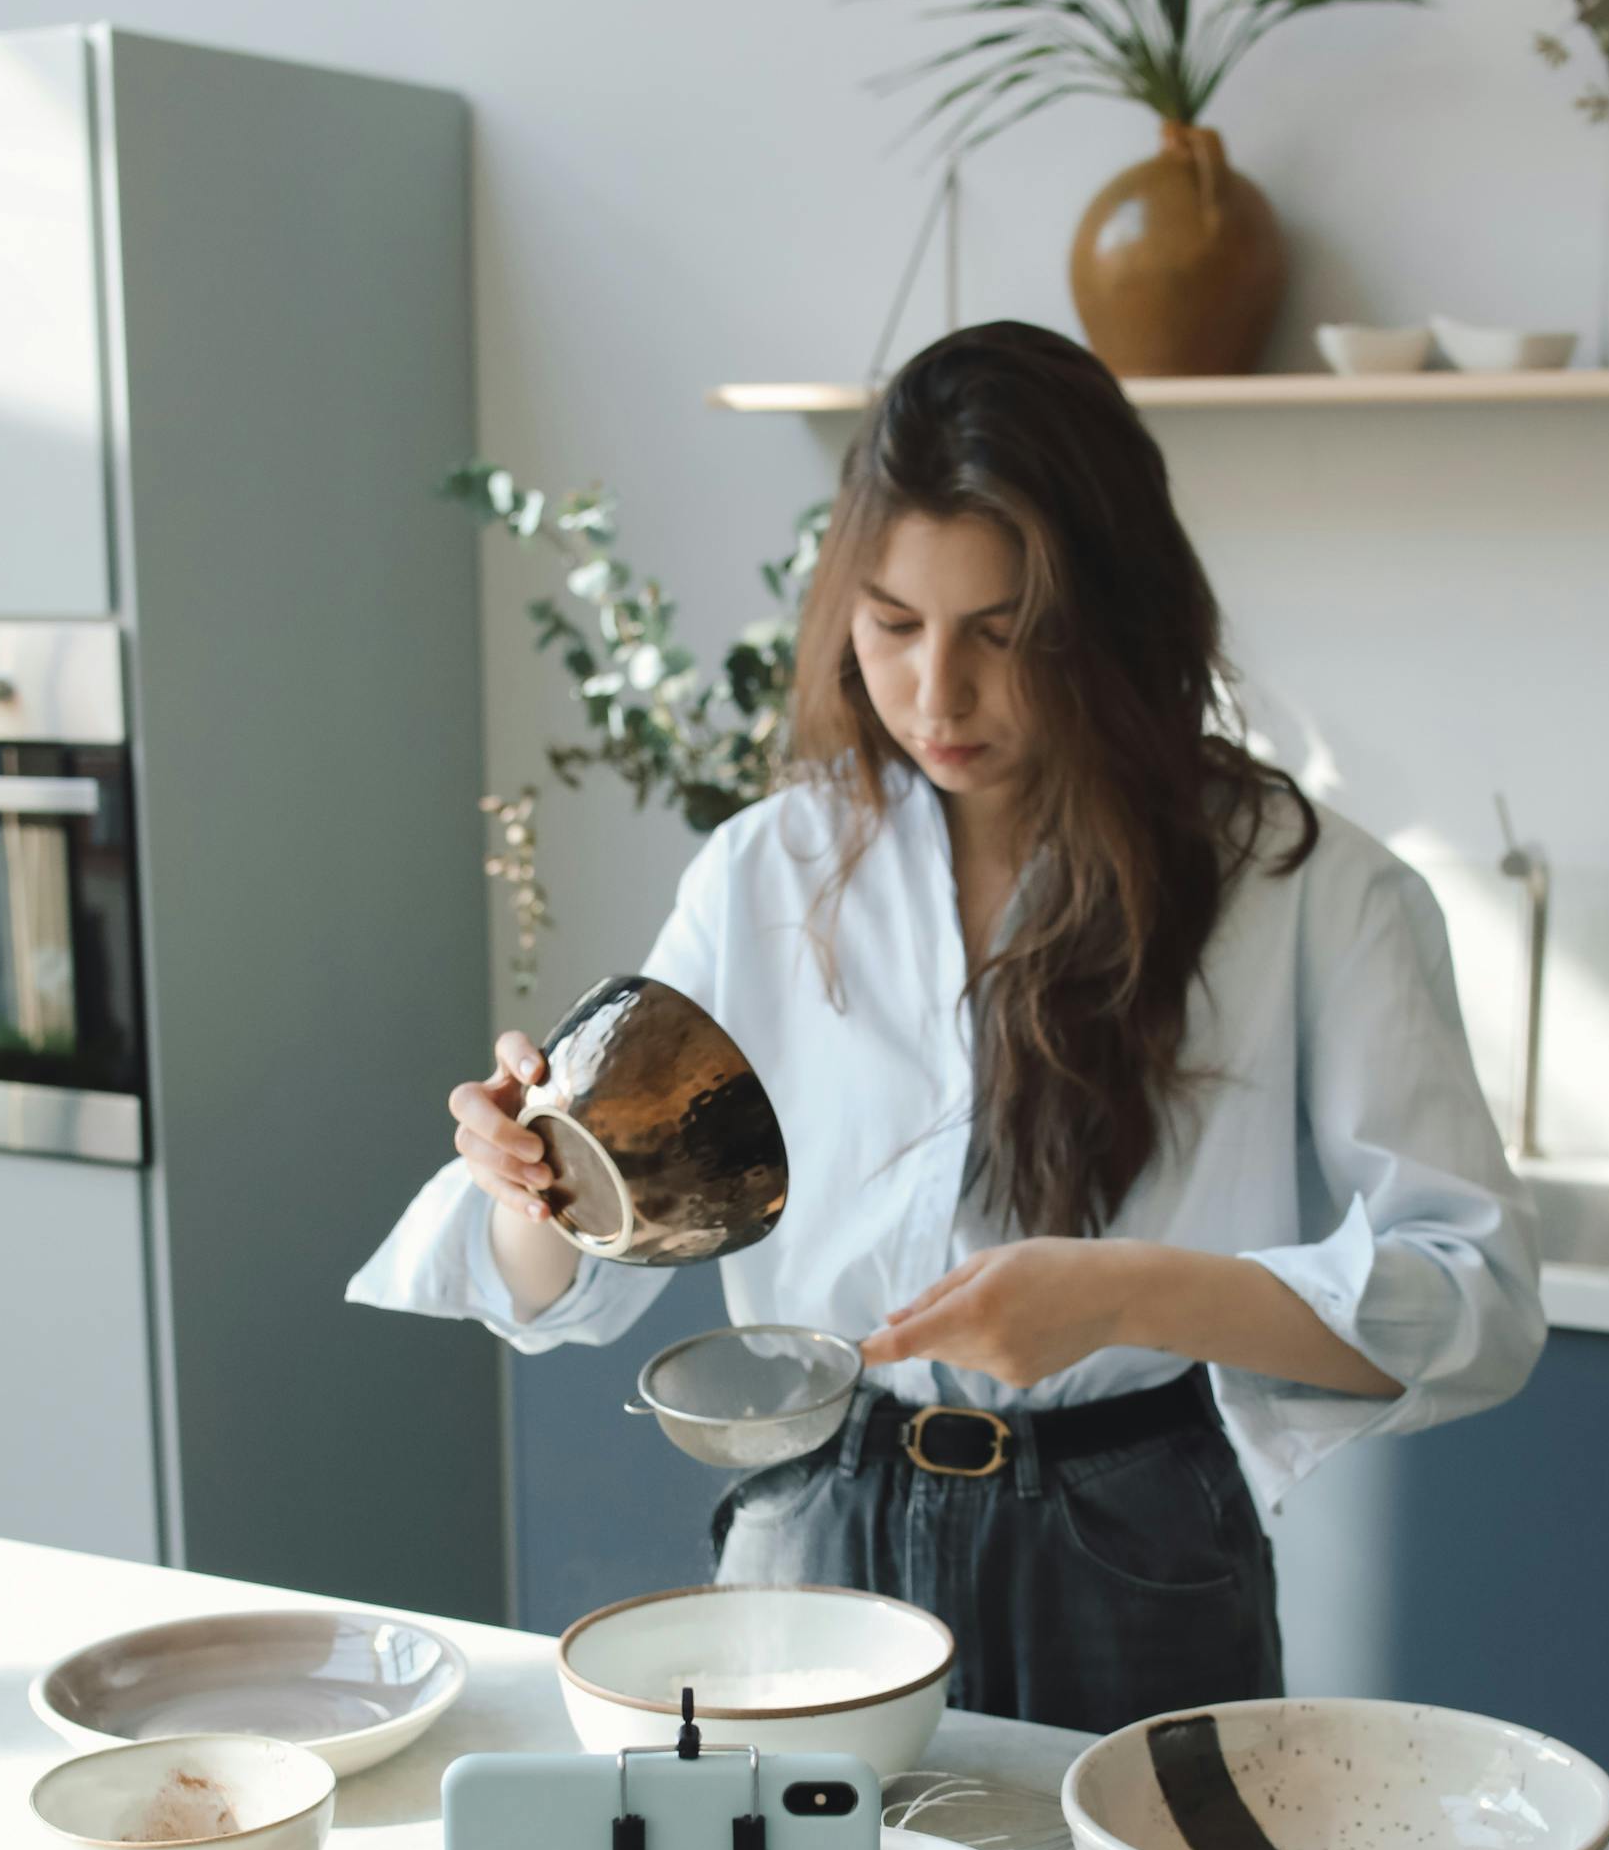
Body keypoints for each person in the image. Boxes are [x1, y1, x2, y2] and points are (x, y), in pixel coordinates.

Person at [351, 321, 1542, 1737]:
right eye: (893, 626)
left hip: (1132, 1549)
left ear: (1112, 620)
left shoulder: (1296, 884)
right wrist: (525, 1171)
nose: (936, 695)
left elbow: (1476, 1302)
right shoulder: (770, 872)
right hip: (809, 1526)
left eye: (1004, 633)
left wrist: (1125, 1293)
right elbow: (571, 1275)